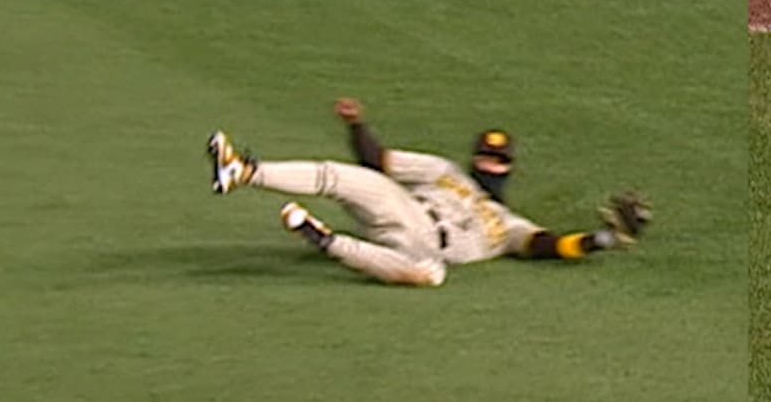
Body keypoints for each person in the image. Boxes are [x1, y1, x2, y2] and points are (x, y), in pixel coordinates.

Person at [205, 97, 652, 286]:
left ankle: (324, 239)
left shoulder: (509, 226)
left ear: (510, 168)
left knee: (429, 276)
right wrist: (357, 124)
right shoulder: (446, 171)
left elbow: (549, 245)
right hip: (404, 208)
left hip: (424, 247)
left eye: (497, 160)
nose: (487, 165)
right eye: (483, 156)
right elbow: (378, 160)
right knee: (348, 177)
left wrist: (604, 239)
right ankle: (243, 170)